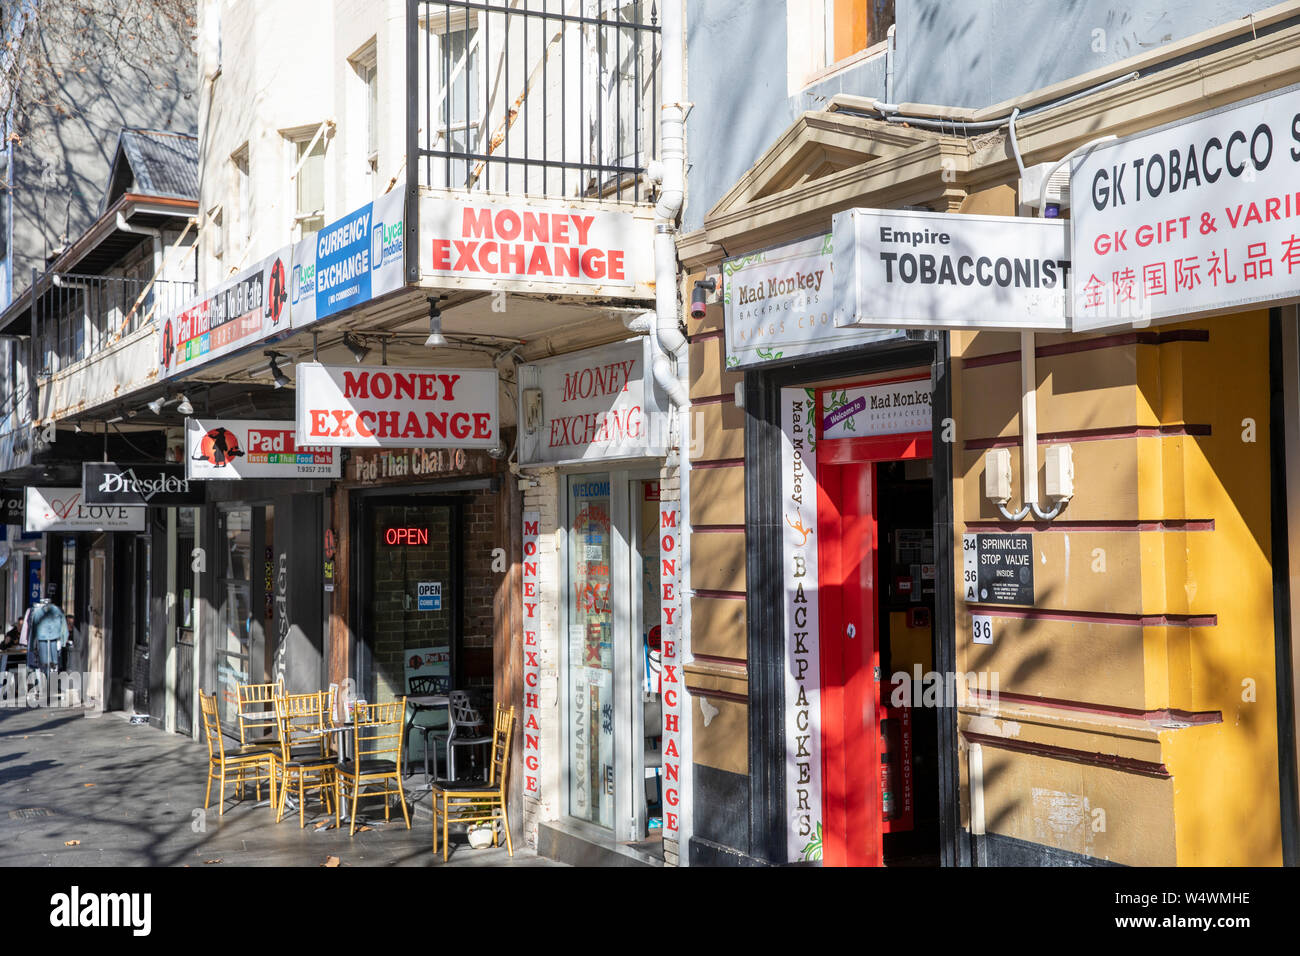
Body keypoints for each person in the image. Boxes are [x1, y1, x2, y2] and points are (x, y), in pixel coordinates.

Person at [27, 584, 69, 676]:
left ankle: (47, 682)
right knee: (53, 662)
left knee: (45, 663)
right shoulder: (56, 611)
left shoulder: (38, 612)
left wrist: (31, 646)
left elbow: (33, 630)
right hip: (53, 638)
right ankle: (50, 684)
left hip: (44, 638)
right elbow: (64, 628)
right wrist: (63, 640)